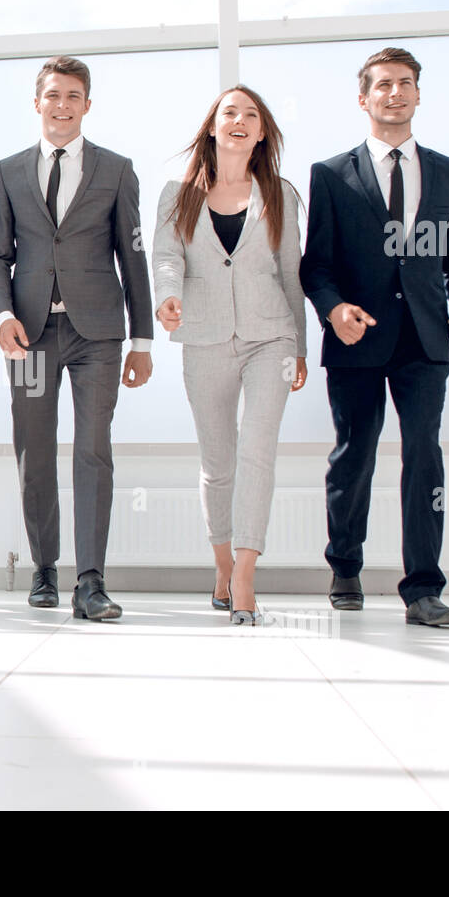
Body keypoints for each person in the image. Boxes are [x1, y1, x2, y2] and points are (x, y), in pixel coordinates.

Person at [300, 47, 449, 627]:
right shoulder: (330, 174)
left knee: (424, 456)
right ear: (364, 98)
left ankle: (423, 588)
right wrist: (333, 311)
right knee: (354, 454)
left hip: (425, 340)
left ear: (418, 95)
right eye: (383, 85)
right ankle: (345, 564)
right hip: (357, 338)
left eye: (405, 84)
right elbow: (315, 266)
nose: (394, 93)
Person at [0, 55, 154, 621]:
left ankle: (90, 580)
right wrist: (2, 316)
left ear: (87, 104)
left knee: (92, 450)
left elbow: (133, 255)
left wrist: (143, 340)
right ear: (37, 102)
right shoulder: (7, 171)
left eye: (73, 95)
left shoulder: (116, 169)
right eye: (52, 95)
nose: (62, 105)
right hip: (28, 336)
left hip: (98, 334)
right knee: (33, 452)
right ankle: (43, 570)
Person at [153, 85, 308, 626]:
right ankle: (221, 565)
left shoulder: (282, 194)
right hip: (203, 335)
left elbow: (291, 272)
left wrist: (302, 348)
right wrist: (166, 296)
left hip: (272, 337)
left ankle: (245, 577)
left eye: (251, 115)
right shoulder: (178, 193)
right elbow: (167, 256)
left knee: (257, 453)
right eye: (229, 113)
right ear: (213, 127)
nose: (240, 120)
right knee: (218, 462)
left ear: (262, 131)